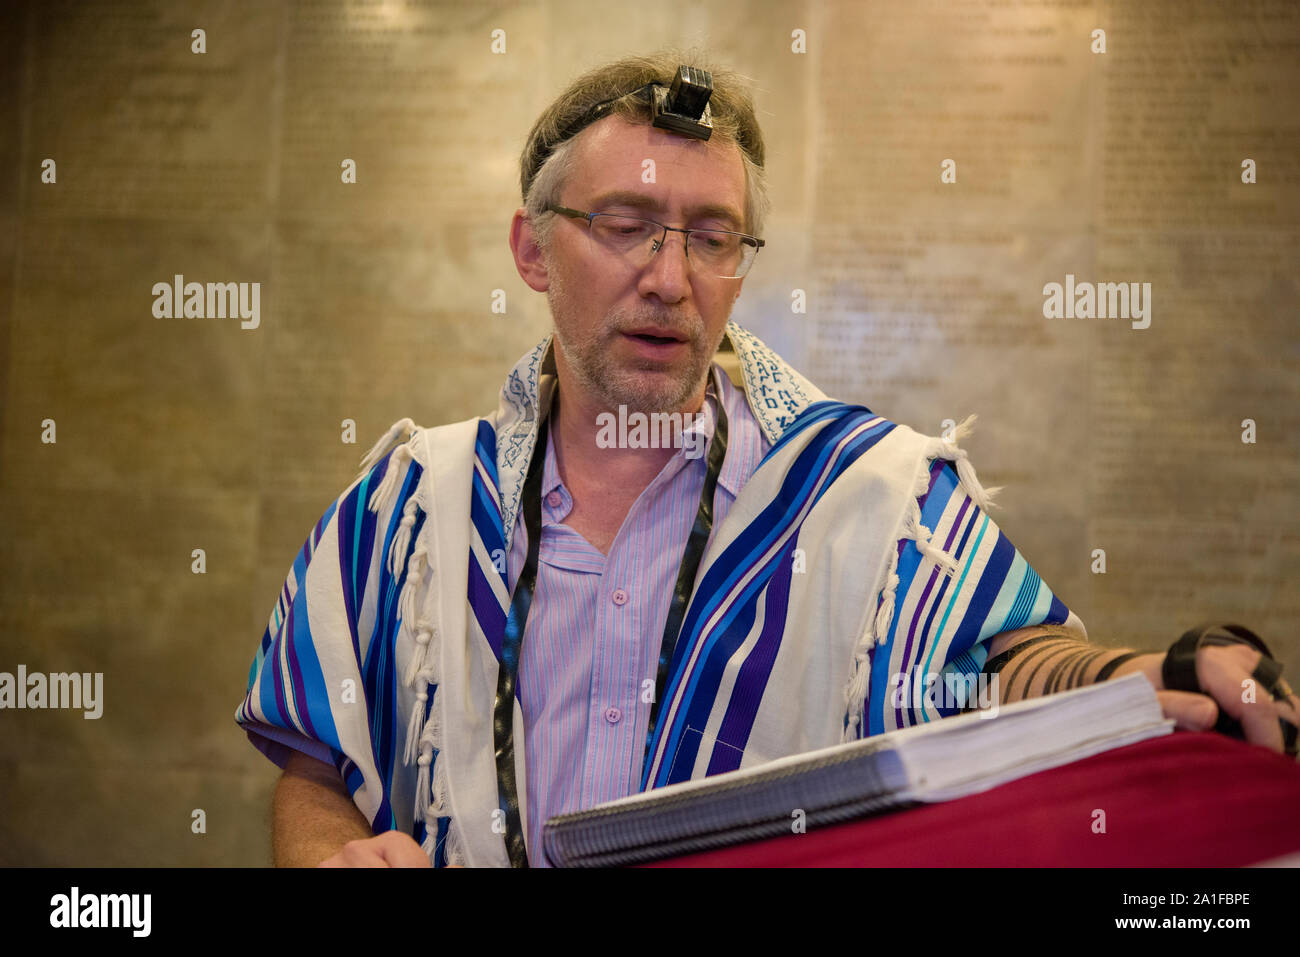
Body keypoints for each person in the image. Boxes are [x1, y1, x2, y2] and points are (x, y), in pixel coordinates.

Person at [235, 50, 1299, 868]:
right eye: (627, 223)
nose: (669, 276)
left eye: (711, 235)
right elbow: (315, 762)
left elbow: (998, 671)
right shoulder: (410, 507)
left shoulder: (866, 495)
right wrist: (333, 855)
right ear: (529, 248)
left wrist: (1146, 674)